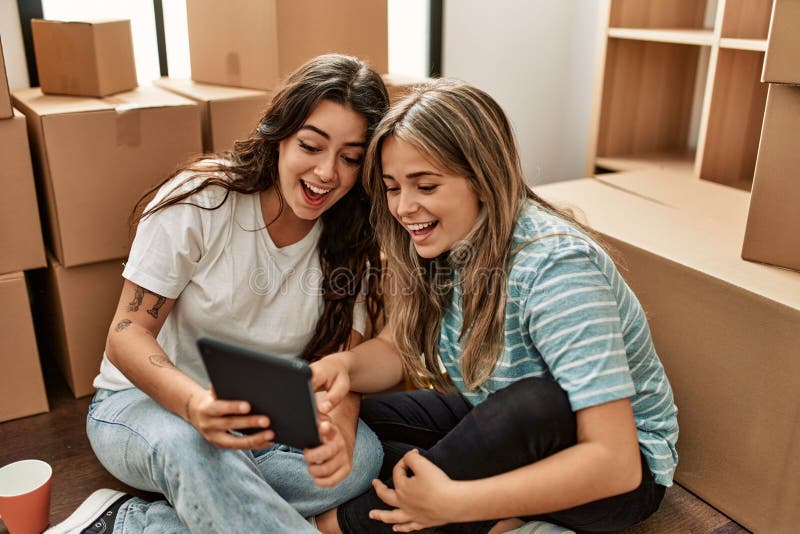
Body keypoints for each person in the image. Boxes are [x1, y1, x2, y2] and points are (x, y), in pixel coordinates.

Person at [310, 79, 679, 534]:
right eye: (392, 188)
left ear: (482, 180)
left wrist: (456, 503)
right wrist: (344, 366)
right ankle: (499, 515)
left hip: (616, 476)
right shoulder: (445, 245)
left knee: (533, 403)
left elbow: (616, 463)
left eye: (425, 185)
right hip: (498, 417)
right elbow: (398, 349)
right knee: (360, 427)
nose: (404, 207)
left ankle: (333, 526)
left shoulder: (557, 267)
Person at [46, 54, 389, 534]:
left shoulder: (353, 240)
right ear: (280, 135)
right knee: (196, 448)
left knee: (362, 458)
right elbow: (126, 335)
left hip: (258, 423)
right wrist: (194, 407)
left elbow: (345, 366)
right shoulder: (203, 200)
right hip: (146, 407)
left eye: (350, 158)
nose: (327, 172)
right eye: (311, 146)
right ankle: (221, 496)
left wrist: (343, 429)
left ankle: (137, 522)